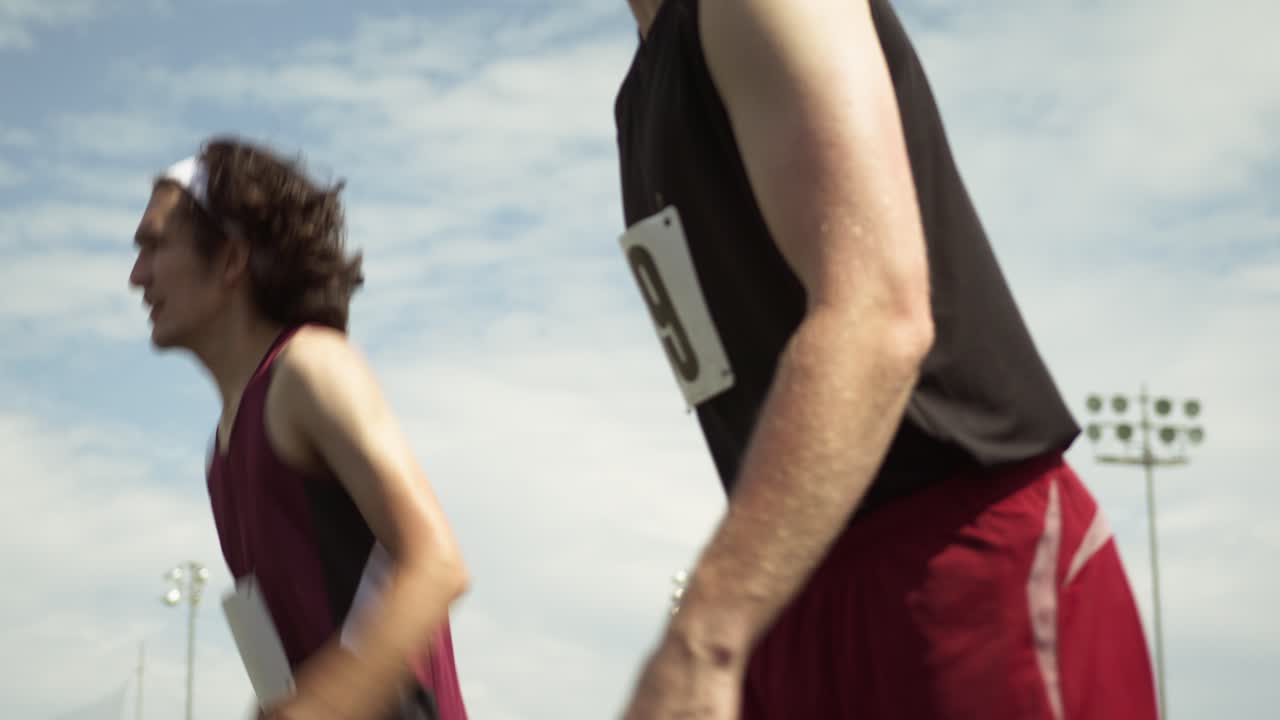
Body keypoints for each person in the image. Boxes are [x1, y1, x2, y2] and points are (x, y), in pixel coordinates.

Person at [612, 1, 1159, 718]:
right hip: (798, 589)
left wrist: (705, 634)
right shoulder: (642, 92)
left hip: (959, 564)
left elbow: (878, 316)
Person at [129, 137, 470, 719]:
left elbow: (437, 565)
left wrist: (315, 707)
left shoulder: (311, 366)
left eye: (155, 246)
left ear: (232, 259)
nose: (137, 276)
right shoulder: (221, 451)